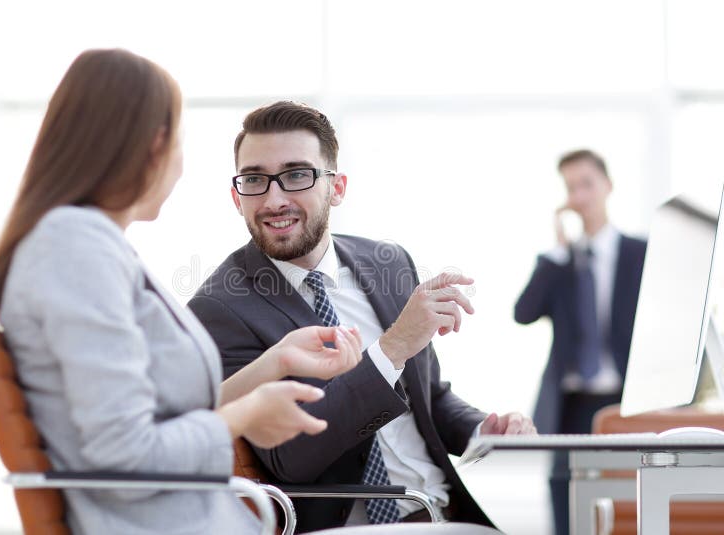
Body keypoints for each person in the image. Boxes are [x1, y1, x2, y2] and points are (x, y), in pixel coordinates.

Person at [0, 49, 366, 535]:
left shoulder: (89, 245)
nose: (180, 167)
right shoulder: (75, 250)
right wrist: (245, 415)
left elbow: (158, 422)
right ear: (154, 143)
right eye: (180, 143)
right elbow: (125, 455)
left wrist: (277, 361)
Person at [187, 101, 536, 533]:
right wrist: (393, 347)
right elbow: (290, 458)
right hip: (351, 526)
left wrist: (486, 432)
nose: (274, 200)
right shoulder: (220, 308)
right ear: (236, 197)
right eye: (255, 180)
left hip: (446, 512)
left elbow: (428, 397)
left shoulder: (387, 263)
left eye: (296, 175)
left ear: (337, 188)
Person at [514, 149, 647, 535]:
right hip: (569, 404)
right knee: (565, 498)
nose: (580, 196)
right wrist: (559, 251)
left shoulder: (639, 253)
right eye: (571, 188)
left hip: (624, 400)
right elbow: (524, 312)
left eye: (587, 184)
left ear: (608, 185)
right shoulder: (560, 262)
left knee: (628, 500)